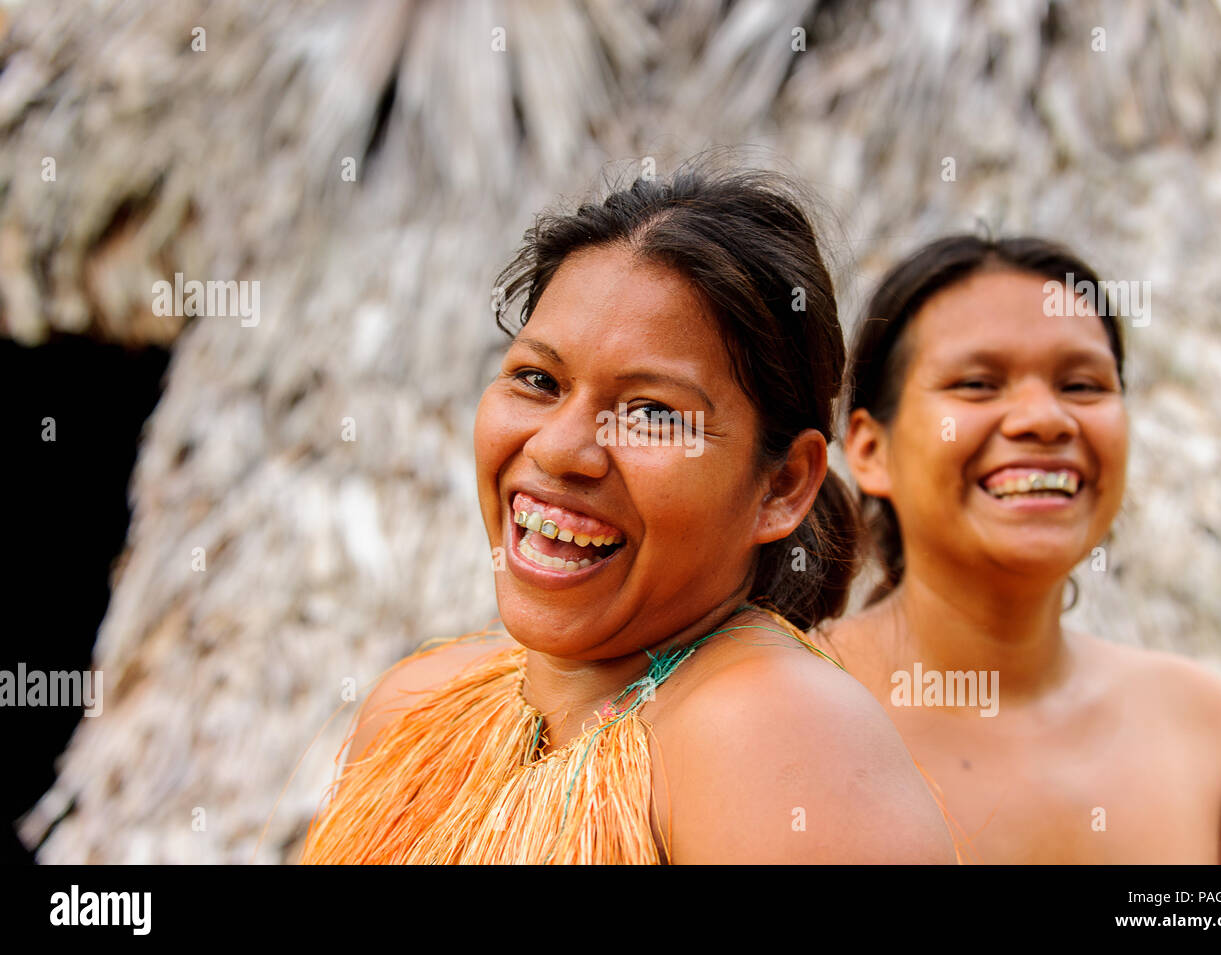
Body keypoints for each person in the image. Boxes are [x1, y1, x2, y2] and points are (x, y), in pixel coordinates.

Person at [298, 160, 957, 864]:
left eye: (649, 412)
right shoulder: (414, 708)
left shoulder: (776, 734)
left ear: (782, 485)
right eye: (538, 380)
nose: (558, 449)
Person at [813, 234, 1221, 863]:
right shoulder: (785, 706)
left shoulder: (1206, 725)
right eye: (979, 383)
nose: (1045, 419)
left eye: (1083, 386)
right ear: (870, 451)